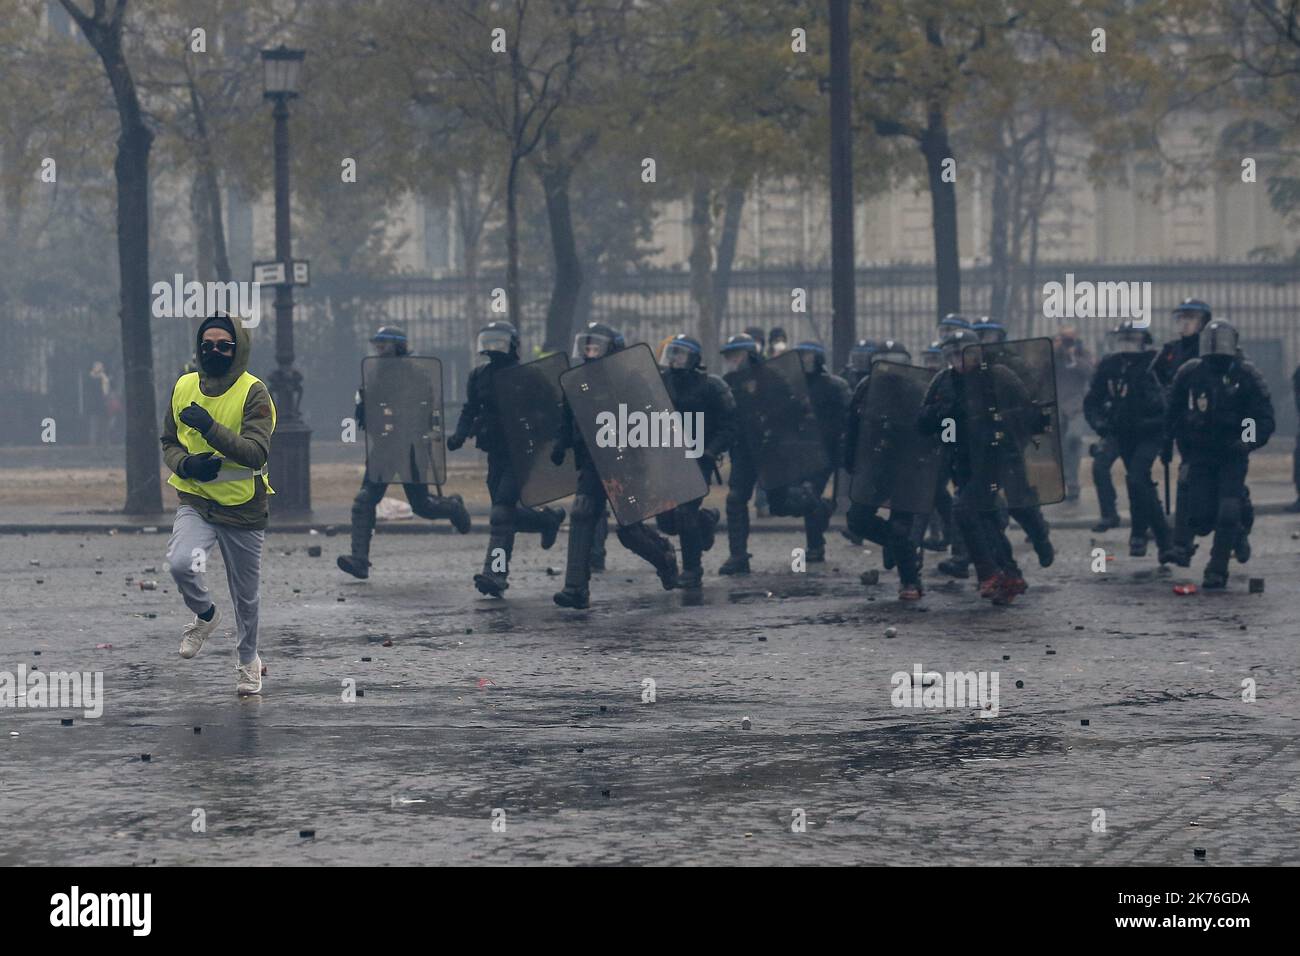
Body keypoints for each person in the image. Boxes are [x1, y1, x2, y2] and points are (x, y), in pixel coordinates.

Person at [161, 314, 275, 696]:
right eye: (206, 344)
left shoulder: (254, 392)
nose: (213, 351)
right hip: (197, 501)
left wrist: (210, 428)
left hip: (243, 509)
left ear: (237, 349)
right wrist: (186, 464)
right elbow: (169, 441)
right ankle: (206, 615)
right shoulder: (183, 385)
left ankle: (248, 661)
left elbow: (256, 453)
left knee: (246, 596)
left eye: (223, 346)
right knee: (180, 563)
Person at [551, 323, 679, 608]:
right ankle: (575, 588)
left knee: (629, 529)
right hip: (591, 460)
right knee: (582, 512)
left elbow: (650, 417)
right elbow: (567, 419)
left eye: (595, 346)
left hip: (625, 461)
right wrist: (560, 446)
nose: (589, 352)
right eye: (586, 346)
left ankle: (664, 557)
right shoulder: (576, 381)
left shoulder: (629, 379)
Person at [337, 326, 471, 579]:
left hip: (410, 448)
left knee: (422, 506)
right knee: (364, 500)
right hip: (385, 448)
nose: (379, 349)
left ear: (398, 346)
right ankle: (359, 560)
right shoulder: (374, 374)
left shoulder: (415, 374)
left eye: (384, 344)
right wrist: (363, 404)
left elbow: (424, 408)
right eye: (377, 345)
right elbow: (368, 413)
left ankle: (453, 507)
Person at [448, 321, 565, 597]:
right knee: (504, 512)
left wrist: (539, 431)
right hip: (496, 451)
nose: (492, 347)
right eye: (488, 341)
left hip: (522, 453)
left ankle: (495, 573)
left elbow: (552, 409)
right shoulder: (479, 376)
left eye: (498, 341)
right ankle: (547, 521)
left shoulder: (528, 376)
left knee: (501, 510)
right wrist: (460, 435)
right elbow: (470, 409)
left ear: (511, 345)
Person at [1162, 321, 1274, 588]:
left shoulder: (1246, 374)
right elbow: (1174, 411)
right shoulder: (1190, 372)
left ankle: (1217, 567)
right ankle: (1239, 520)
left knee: (1226, 510)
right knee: (1200, 519)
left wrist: (1245, 442)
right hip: (1200, 453)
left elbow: (1260, 416)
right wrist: (1170, 441)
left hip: (1231, 454)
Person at [1082, 321, 1170, 558]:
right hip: (1117, 430)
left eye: (1133, 339)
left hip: (1148, 432)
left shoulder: (1155, 364)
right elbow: (1092, 401)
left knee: (1137, 480)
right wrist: (1099, 423)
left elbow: (1168, 399)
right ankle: (1109, 513)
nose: (1127, 345)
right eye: (1123, 339)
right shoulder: (1110, 365)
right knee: (1100, 465)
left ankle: (1143, 534)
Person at [655, 335, 735, 588]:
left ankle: (692, 569)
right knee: (667, 521)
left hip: (699, 457)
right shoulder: (659, 382)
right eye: (672, 353)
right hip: (668, 458)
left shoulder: (711, 385)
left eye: (681, 354)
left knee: (684, 512)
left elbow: (729, 425)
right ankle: (707, 520)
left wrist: (711, 451)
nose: (675, 359)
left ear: (694, 359)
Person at [1054, 325, 1094, 501]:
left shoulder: (1082, 353)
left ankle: (1072, 483)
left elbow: (1090, 373)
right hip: (1057, 406)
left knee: (1074, 438)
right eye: (1064, 338)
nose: (1067, 342)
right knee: (1060, 449)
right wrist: (1056, 349)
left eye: (1070, 339)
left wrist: (1073, 356)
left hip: (1076, 406)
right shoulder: (1054, 354)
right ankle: (1070, 484)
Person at [86, 361, 111, 446]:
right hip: (96, 405)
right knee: (95, 425)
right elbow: (104, 392)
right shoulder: (94, 378)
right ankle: (94, 443)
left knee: (103, 425)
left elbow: (106, 392)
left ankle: (104, 442)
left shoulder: (103, 378)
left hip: (102, 405)